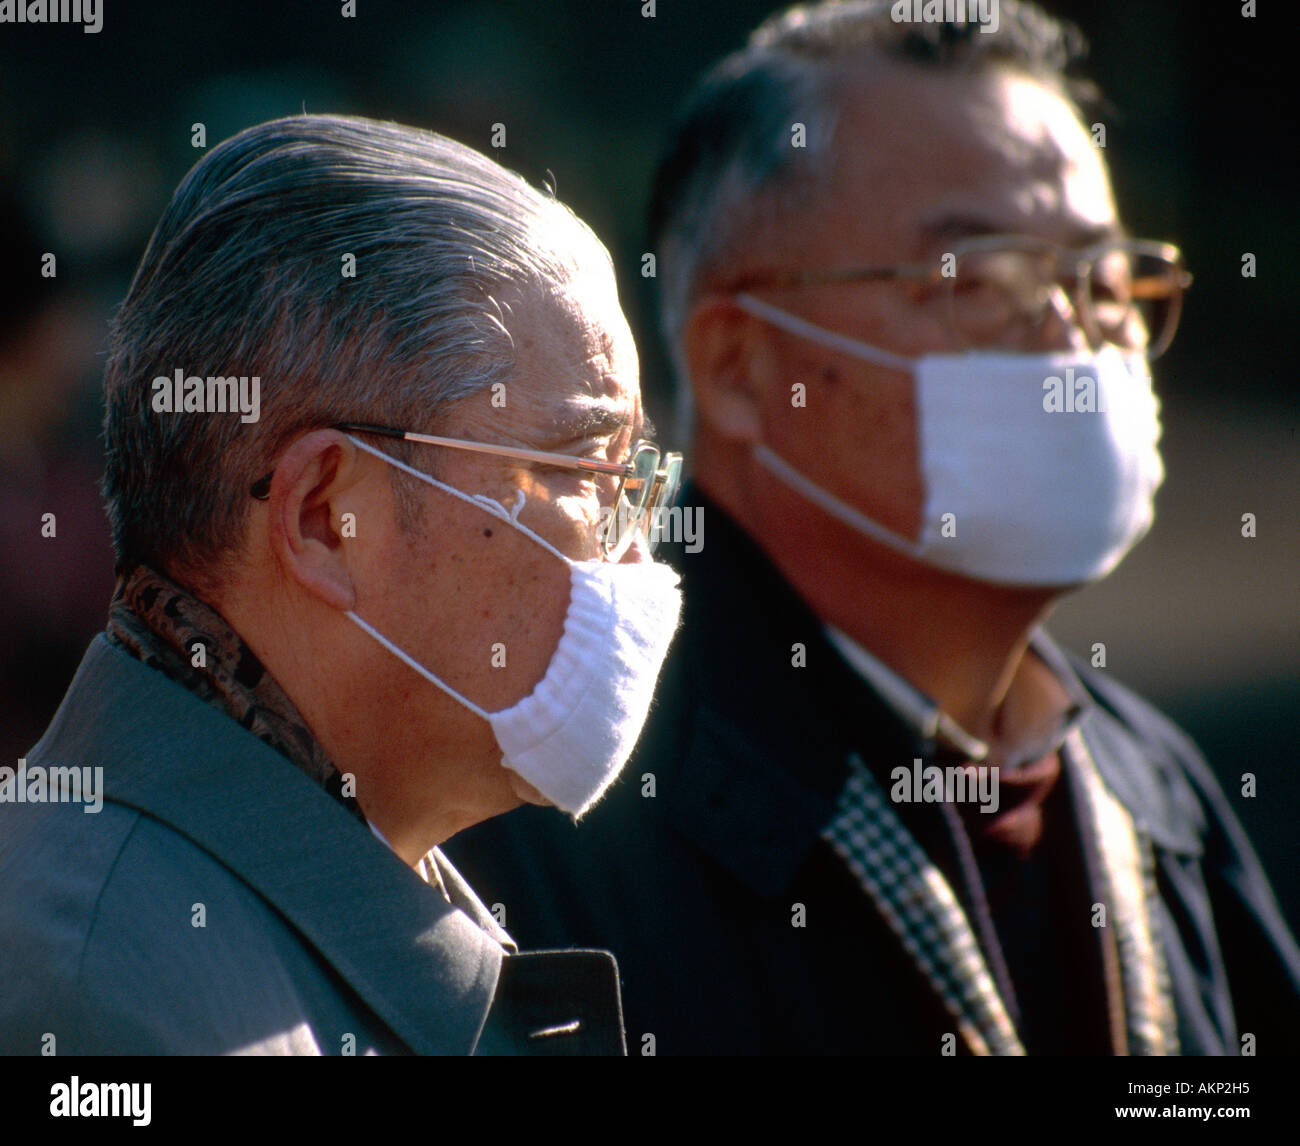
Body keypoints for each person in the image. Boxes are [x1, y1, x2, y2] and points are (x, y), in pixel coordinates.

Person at [445, 1, 1300, 1055]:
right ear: (736, 366)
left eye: (1108, 281)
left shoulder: (1152, 790)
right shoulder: (552, 788)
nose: (1076, 343)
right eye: (982, 281)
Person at [0, 113, 684, 1055]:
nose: (636, 550)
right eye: (586, 473)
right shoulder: (104, 997)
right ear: (329, 518)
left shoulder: (208, 922)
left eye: (640, 479)